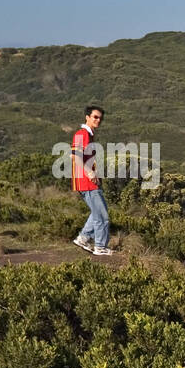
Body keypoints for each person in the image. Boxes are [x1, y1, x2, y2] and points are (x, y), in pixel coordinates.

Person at [71, 105, 114, 256]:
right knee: (102, 215)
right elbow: (75, 156)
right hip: (86, 182)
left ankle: (83, 238)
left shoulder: (88, 135)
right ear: (87, 117)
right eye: (95, 117)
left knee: (97, 212)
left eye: (100, 118)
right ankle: (100, 246)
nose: (98, 120)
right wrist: (89, 172)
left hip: (90, 181)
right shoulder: (82, 134)